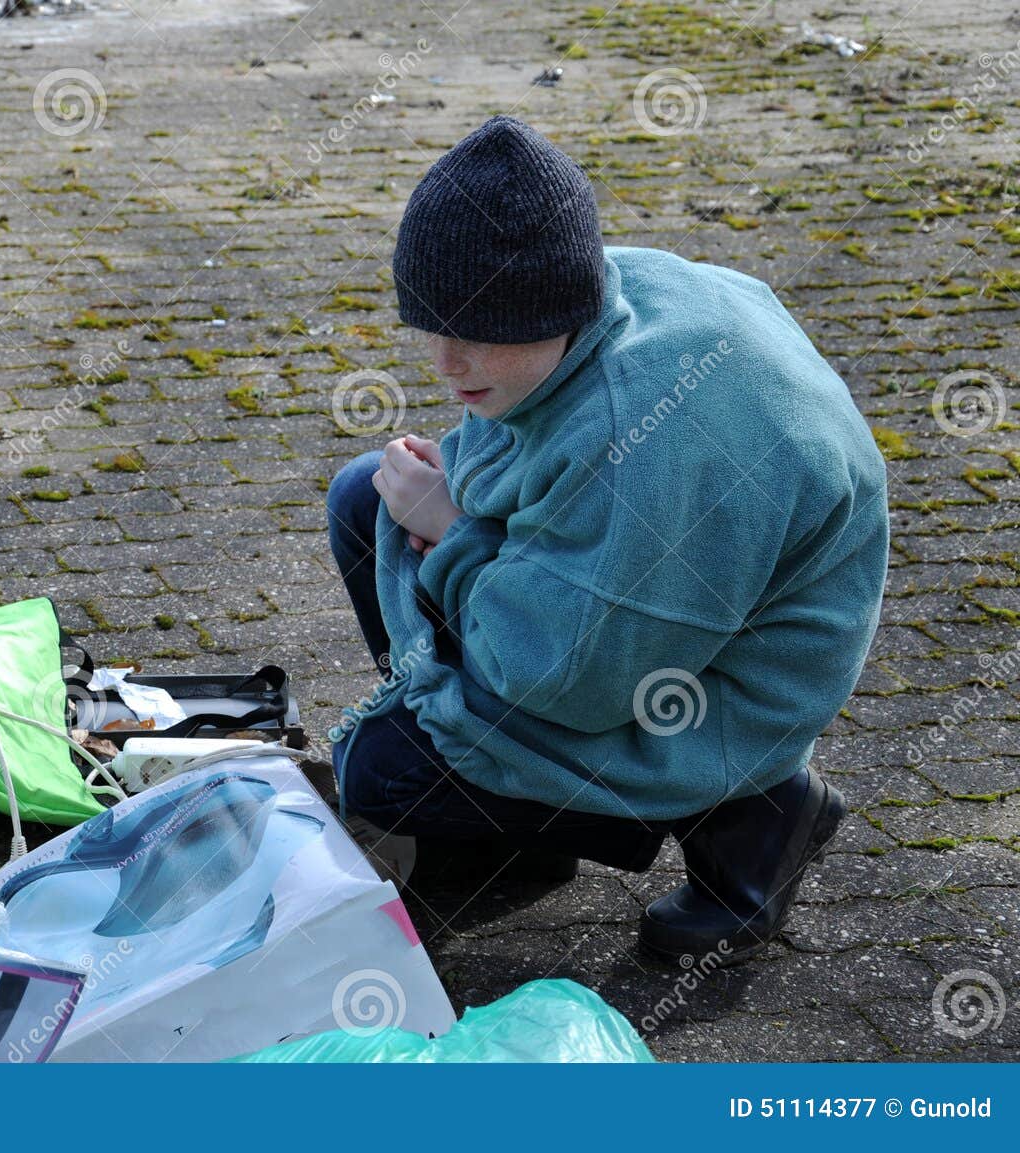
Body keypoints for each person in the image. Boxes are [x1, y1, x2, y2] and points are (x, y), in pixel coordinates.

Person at [326, 116, 889, 964]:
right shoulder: (598, 290)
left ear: (550, 308)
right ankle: (512, 838)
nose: (444, 361)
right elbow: (509, 458)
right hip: (655, 618)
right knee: (362, 498)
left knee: (384, 767)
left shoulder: (648, 445)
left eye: (475, 332)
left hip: (720, 694)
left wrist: (450, 534)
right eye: (431, 324)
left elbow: (561, 678)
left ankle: (754, 820)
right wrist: (453, 516)